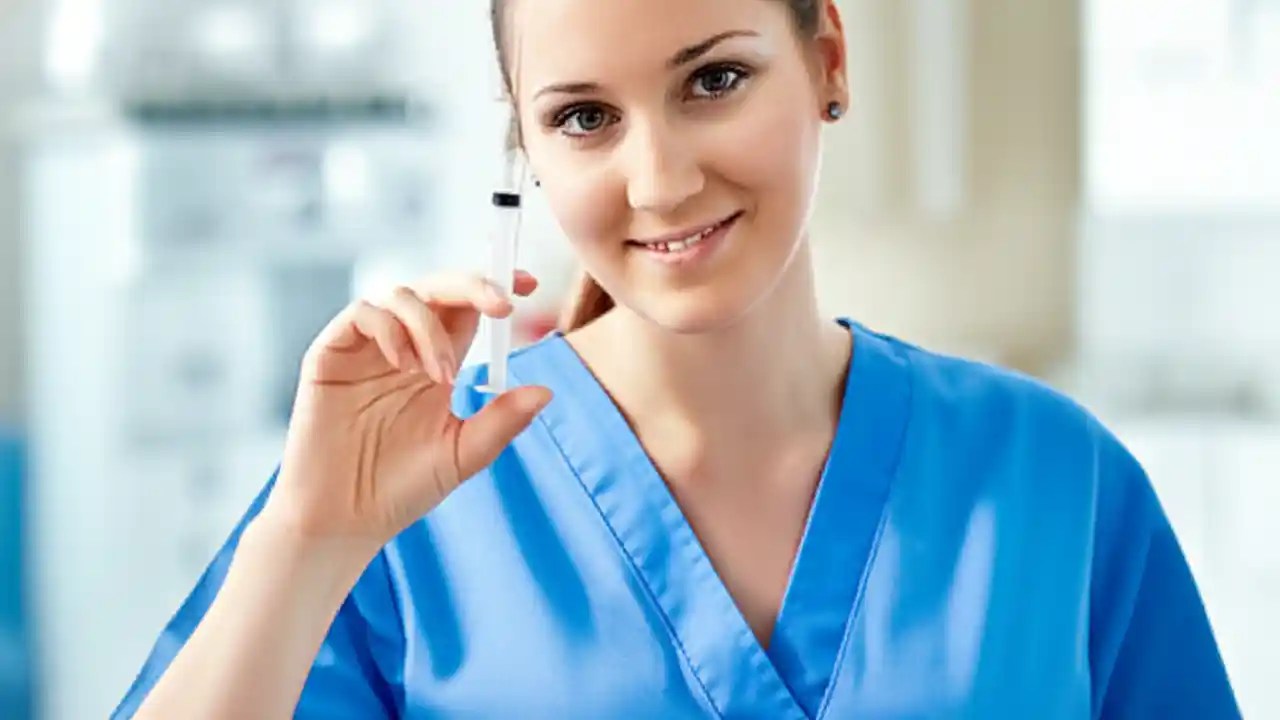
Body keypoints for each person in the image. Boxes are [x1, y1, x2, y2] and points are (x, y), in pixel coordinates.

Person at [113, 1, 1241, 717]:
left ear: (827, 60)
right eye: (583, 119)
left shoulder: (1051, 480)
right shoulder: (403, 507)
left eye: (712, 81)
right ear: (527, 152)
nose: (657, 181)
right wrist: (307, 542)